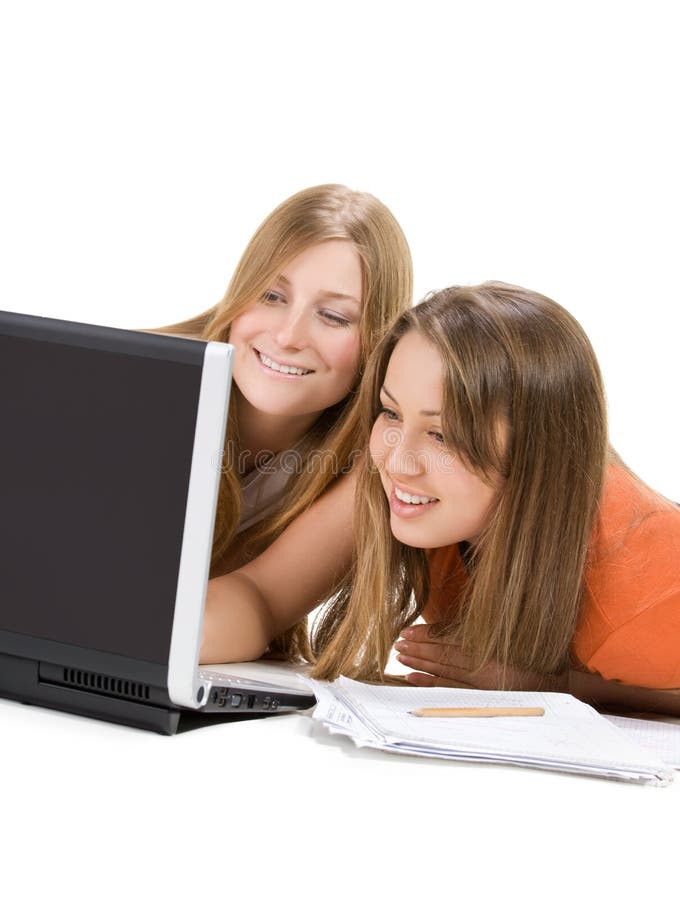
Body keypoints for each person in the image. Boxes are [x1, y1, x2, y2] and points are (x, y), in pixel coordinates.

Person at [310, 282, 680, 714]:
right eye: (390, 412)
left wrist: (555, 684)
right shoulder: (440, 521)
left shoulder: (644, 592)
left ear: (537, 451)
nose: (397, 462)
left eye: (442, 434)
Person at [158, 184, 413, 664]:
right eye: (272, 295)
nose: (288, 336)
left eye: (334, 317)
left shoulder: (371, 466)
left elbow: (259, 601)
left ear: (378, 340)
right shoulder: (140, 380)